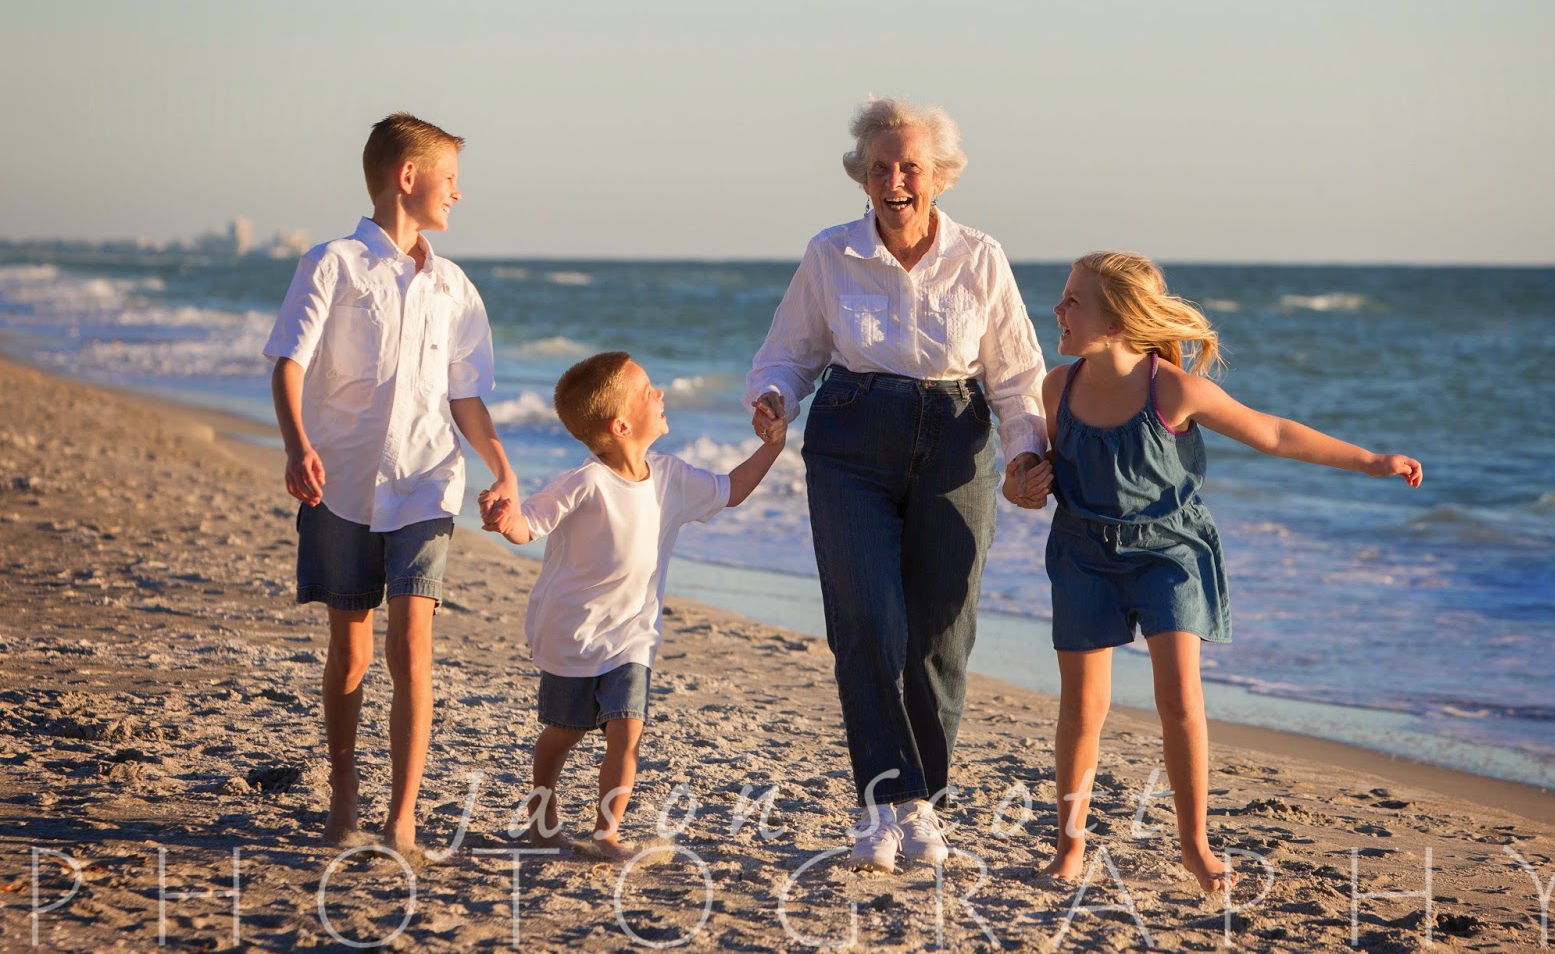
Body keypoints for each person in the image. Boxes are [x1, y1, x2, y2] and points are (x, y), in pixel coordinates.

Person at [1017, 250, 1422, 889]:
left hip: (1169, 554)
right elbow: (1040, 466)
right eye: (1064, 298)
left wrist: (1372, 461)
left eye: (1073, 301)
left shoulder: (1172, 389)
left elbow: (1276, 434)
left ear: (1120, 319)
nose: (1058, 309)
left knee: (1179, 697)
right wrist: (1022, 480)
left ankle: (1194, 844)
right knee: (1083, 705)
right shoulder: (1055, 387)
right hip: (1083, 553)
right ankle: (1070, 848)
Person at [746, 97, 1053, 872]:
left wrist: (1026, 456)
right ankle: (883, 803)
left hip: (957, 443)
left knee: (943, 632)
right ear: (863, 176)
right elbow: (789, 351)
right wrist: (776, 397)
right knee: (868, 623)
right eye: (880, 167)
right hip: (851, 439)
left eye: (909, 166)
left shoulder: (981, 256)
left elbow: (1017, 374)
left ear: (939, 177)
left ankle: (921, 801)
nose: (894, 180)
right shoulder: (830, 254)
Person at [263, 112, 517, 856]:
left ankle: (401, 817)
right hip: (338, 482)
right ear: (409, 177)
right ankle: (344, 793)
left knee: (412, 644)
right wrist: (295, 445)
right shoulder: (333, 263)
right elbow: (289, 361)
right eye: (451, 178)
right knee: (352, 650)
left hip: (427, 486)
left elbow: (465, 397)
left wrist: (503, 468)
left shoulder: (455, 288)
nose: (458, 194)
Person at [479, 351, 787, 860]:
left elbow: (731, 490)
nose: (660, 394)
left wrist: (772, 448)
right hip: (573, 634)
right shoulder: (585, 483)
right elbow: (527, 525)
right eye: (648, 391)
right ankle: (543, 805)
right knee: (563, 733)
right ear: (621, 425)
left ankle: (606, 834)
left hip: (632, 637)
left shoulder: (671, 476)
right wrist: (501, 518)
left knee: (627, 731)